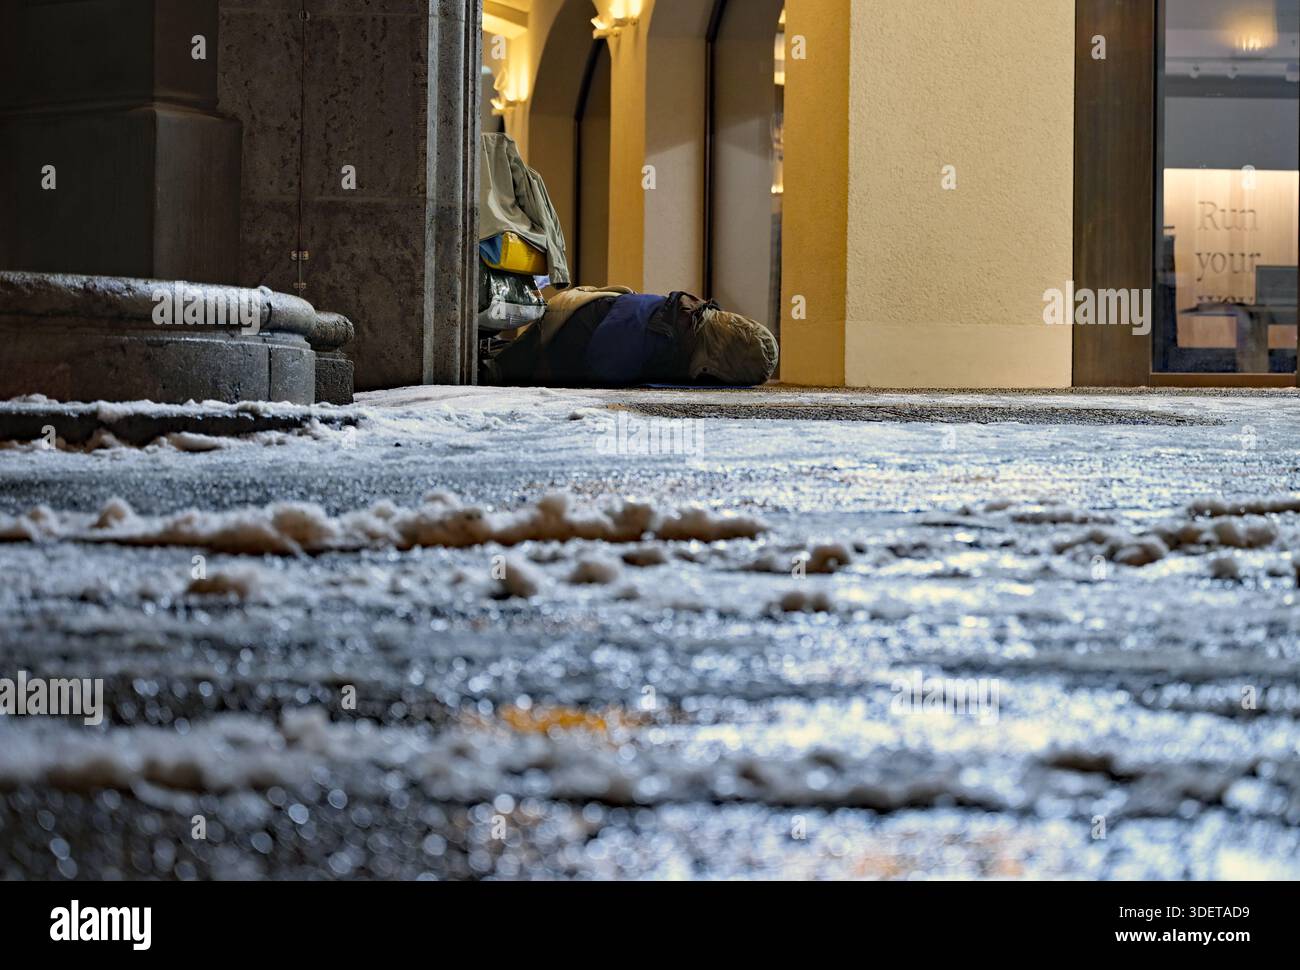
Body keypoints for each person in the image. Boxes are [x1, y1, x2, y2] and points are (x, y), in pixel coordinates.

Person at [480, 285, 779, 388]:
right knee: (512, 368)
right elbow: (603, 363)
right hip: (587, 324)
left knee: (520, 359)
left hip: (591, 307)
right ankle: (493, 365)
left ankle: (495, 361)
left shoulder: (689, 316)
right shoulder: (683, 342)